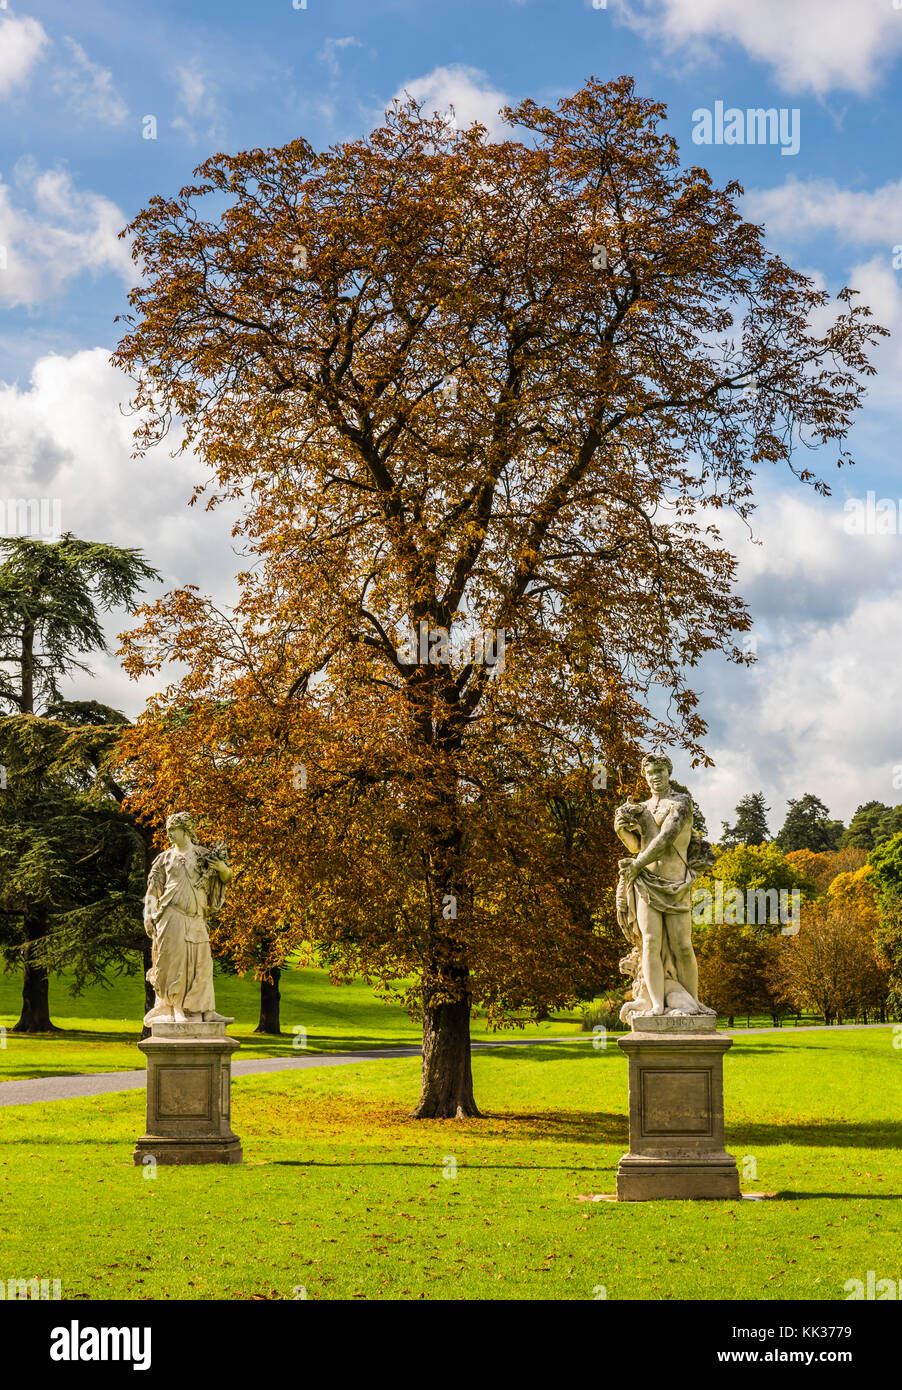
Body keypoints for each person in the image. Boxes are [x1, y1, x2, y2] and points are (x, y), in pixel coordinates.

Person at [614, 754, 714, 1020]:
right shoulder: (643, 808)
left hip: (675, 883)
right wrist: (622, 831)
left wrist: (637, 864)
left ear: (668, 772)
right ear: (645, 776)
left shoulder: (681, 802)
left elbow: (666, 840)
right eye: (650, 772)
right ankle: (657, 1005)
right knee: (650, 942)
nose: (655, 776)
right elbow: (639, 846)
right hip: (646, 881)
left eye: (660, 771)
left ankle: (692, 1002)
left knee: (682, 944)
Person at [143, 811, 233, 1025]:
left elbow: (226, 877)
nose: (169, 834)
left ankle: (206, 1010)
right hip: (171, 916)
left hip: (196, 917)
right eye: (168, 830)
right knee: (175, 964)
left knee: (202, 964)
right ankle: (177, 1009)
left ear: (186, 830)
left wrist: (221, 868)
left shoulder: (203, 856)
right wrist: (148, 915)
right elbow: (152, 891)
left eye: (173, 830)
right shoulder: (164, 858)